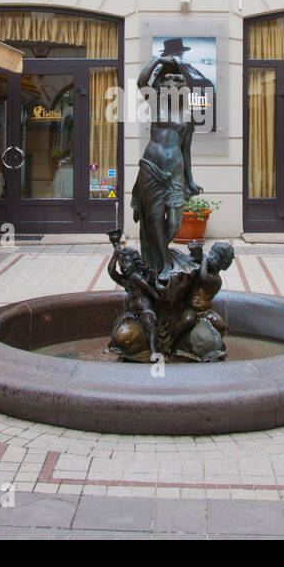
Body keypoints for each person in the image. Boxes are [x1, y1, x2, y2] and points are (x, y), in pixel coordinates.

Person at [131, 56, 201, 278]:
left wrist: (190, 180)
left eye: (178, 80)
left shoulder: (187, 116)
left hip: (175, 173)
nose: (173, 83)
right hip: (151, 167)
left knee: (174, 224)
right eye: (169, 80)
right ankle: (161, 266)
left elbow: (186, 150)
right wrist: (157, 60)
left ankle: (157, 256)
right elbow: (141, 82)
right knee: (152, 219)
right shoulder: (156, 104)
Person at [106, 245, 161, 362]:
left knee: (150, 326)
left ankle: (153, 351)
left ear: (135, 263)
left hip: (145, 310)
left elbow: (152, 292)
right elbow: (112, 272)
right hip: (134, 312)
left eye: (127, 262)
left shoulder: (136, 277)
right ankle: (114, 345)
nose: (123, 267)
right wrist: (115, 256)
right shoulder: (126, 280)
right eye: (122, 263)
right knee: (119, 321)